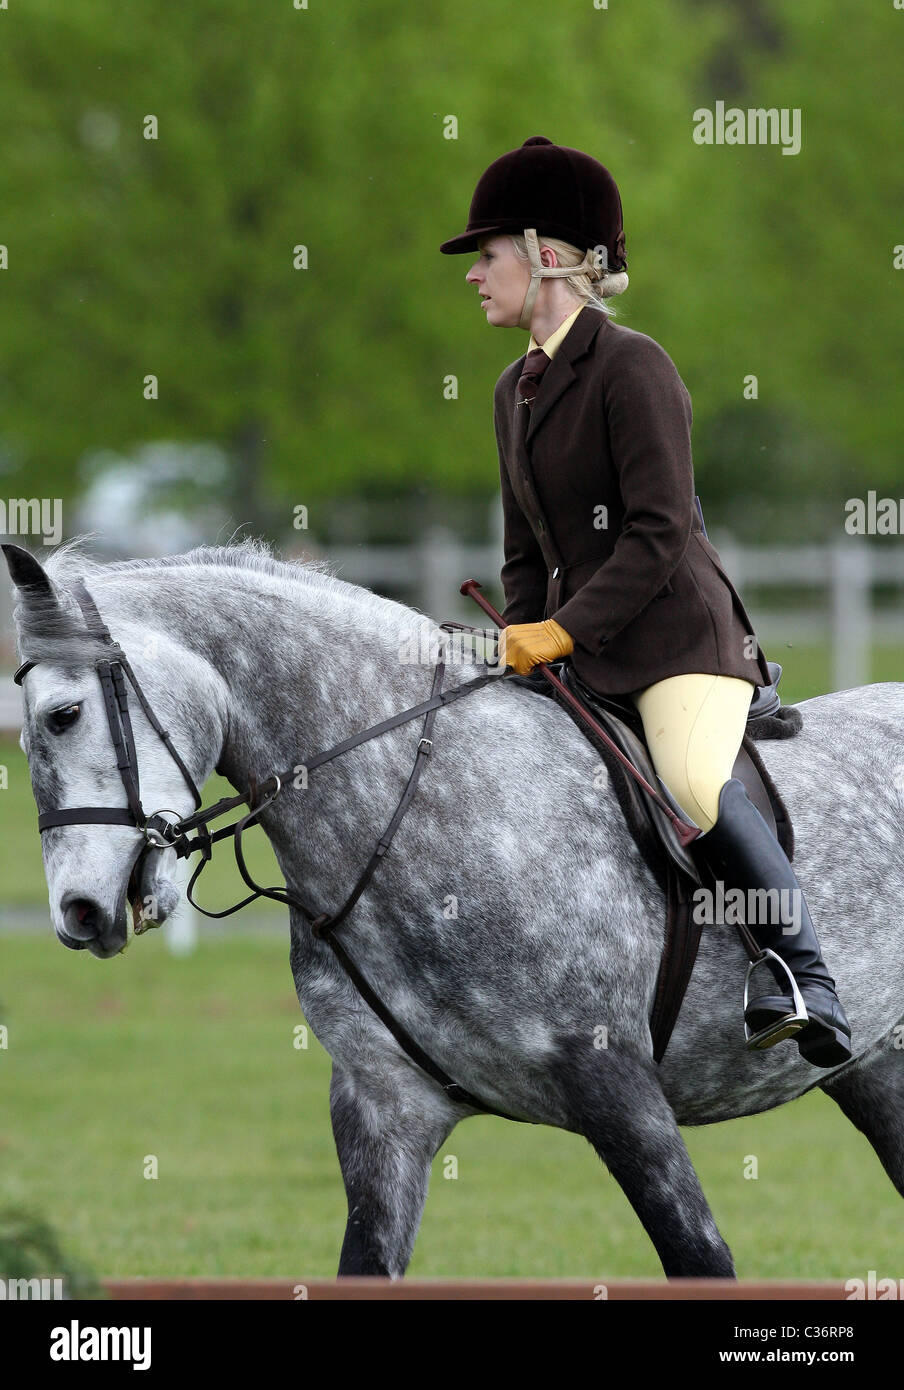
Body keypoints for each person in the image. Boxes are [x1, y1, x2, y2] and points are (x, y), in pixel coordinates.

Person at [440, 135, 851, 1067]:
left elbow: (660, 532)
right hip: (579, 650)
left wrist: (564, 629)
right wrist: (521, 635)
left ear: (546, 255)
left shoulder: (635, 368)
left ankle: (802, 972)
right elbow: (525, 552)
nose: (474, 275)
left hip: (679, 645)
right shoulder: (514, 390)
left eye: (487, 253)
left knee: (694, 782)